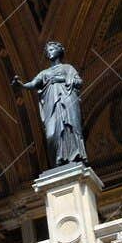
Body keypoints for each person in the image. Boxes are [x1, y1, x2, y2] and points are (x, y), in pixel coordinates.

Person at [12, 40, 88, 169]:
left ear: (59, 51)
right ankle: (59, 157)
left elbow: (79, 82)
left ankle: (74, 156)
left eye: (52, 49)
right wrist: (22, 85)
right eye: (48, 50)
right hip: (51, 105)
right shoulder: (44, 73)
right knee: (51, 134)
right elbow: (33, 83)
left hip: (67, 100)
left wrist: (62, 79)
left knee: (70, 128)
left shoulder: (68, 68)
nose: (49, 52)